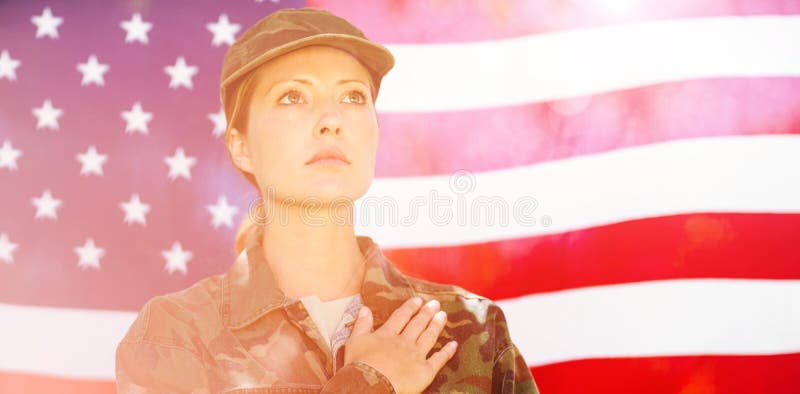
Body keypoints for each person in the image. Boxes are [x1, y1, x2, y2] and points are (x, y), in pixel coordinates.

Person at [115, 7, 539, 394]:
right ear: (241, 146)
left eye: (353, 96)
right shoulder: (175, 337)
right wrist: (371, 383)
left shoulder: (469, 332)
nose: (331, 121)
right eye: (292, 96)